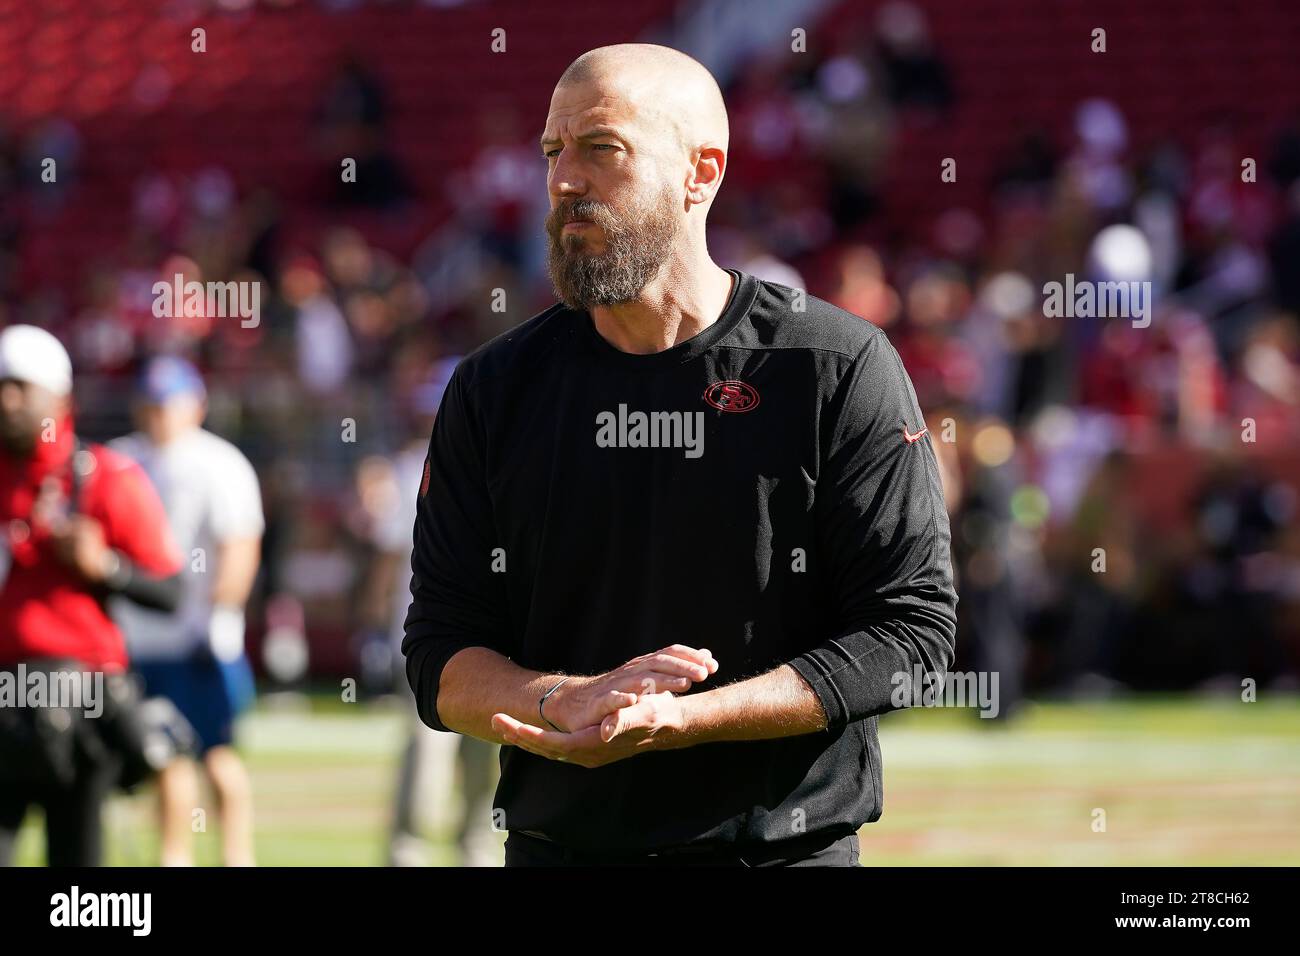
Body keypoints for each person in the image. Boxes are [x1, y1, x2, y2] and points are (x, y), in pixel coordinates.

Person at [402, 44, 958, 867]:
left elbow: (912, 634)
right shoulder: (494, 390)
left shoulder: (832, 364)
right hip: (562, 848)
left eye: (602, 148)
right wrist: (561, 702)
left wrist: (687, 722)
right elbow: (438, 651)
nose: (562, 181)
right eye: (553, 152)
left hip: (778, 852)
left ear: (702, 171)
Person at [0, 325, 183, 866]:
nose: (5, 401)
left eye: (18, 387)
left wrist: (105, 566)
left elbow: (171, 590)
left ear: (58, 397)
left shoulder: (105, 477)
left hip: (80, 706)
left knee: (79, 880)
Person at [110, 356, 264, 866]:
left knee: (216, 756)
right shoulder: (122, 461)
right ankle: (175, 858)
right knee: (163, 758)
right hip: (139, 638)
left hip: (198, 640)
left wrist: (215, 620)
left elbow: (239, 548)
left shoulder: (219, 463)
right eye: (151, 403)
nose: (158, 414)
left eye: (168, 403)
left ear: (195, 405)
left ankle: (235, 857)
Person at [373, 357, 500, 867]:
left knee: (486, 746)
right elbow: (388, 556)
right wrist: (378, 621)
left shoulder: (502, 460)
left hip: (492, 632)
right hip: (422, 629)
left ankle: (473, 841)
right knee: (427, 742)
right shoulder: (407, 470)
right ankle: (408, 845)